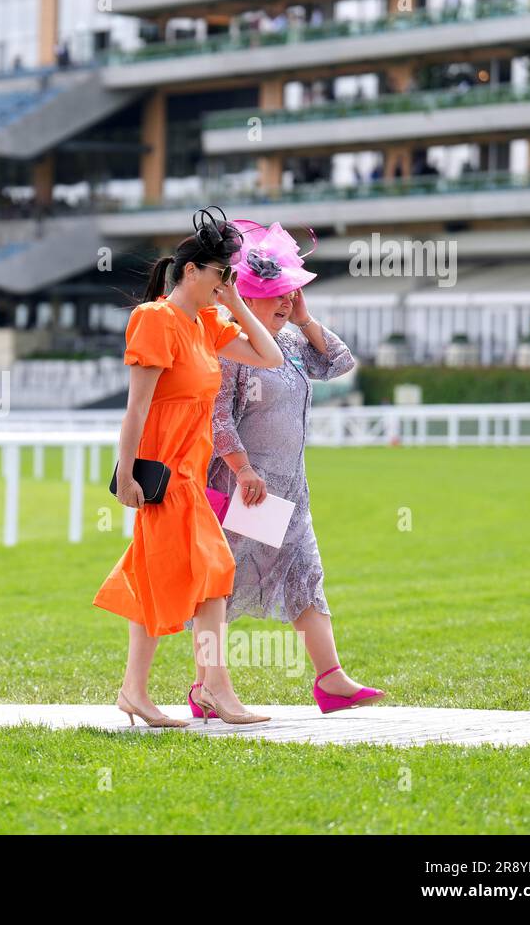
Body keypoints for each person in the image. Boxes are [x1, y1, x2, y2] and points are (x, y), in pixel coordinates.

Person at [94, 208, 285, 728]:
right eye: (223, 275)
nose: (226, 284)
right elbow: (136, 408)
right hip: (163, 476)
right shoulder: (156, 320)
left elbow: (269, 358)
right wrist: (127, 474)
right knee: (211, 573)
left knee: (165, 577)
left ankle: (141, 691)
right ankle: (212, 687)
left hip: (190, 476)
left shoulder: (204, 323)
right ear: (194, 270)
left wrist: (239, 303)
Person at [190, 219, 384, 716]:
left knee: (304, 575)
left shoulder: (294, 346)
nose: (284, 301)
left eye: (289, 293)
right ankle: (205, 687)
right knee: (219, 590)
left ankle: (332, 679)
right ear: (245, 298)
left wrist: (305, 318)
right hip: (246, 489)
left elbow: (340, 362)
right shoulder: (233, 346)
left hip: (291, 489)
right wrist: (242, 470)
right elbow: (216, 415)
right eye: (275, 294)